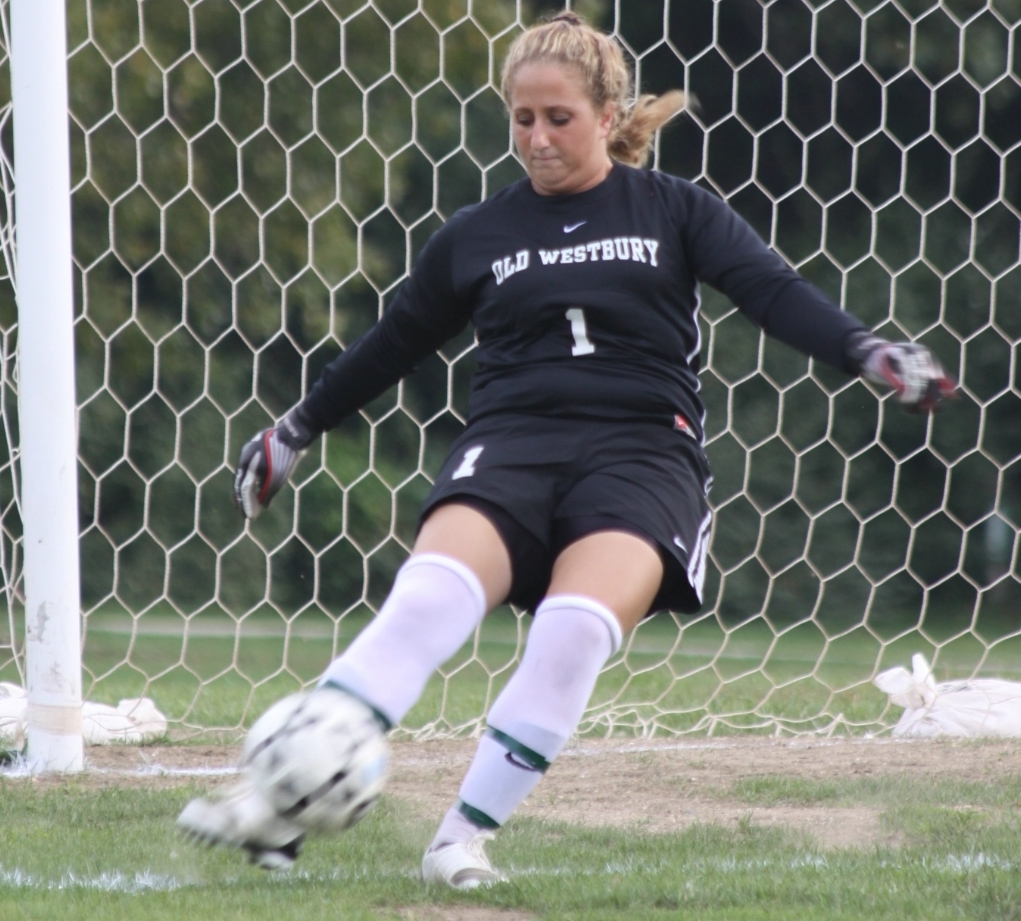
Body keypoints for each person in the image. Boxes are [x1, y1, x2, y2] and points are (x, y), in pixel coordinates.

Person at [178, 11, 956, 887]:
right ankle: (274, 802)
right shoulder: (476, 233)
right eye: (522, 118)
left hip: (642, 455)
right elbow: (392, 344)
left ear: (606, 114)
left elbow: (771, 293)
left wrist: (866, 352)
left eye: (559, 118)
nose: (537, 138)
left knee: (573, 630)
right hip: (510, 445)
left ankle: (457, 841)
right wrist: (294, 428)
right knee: (425, 600)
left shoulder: (674, 209)